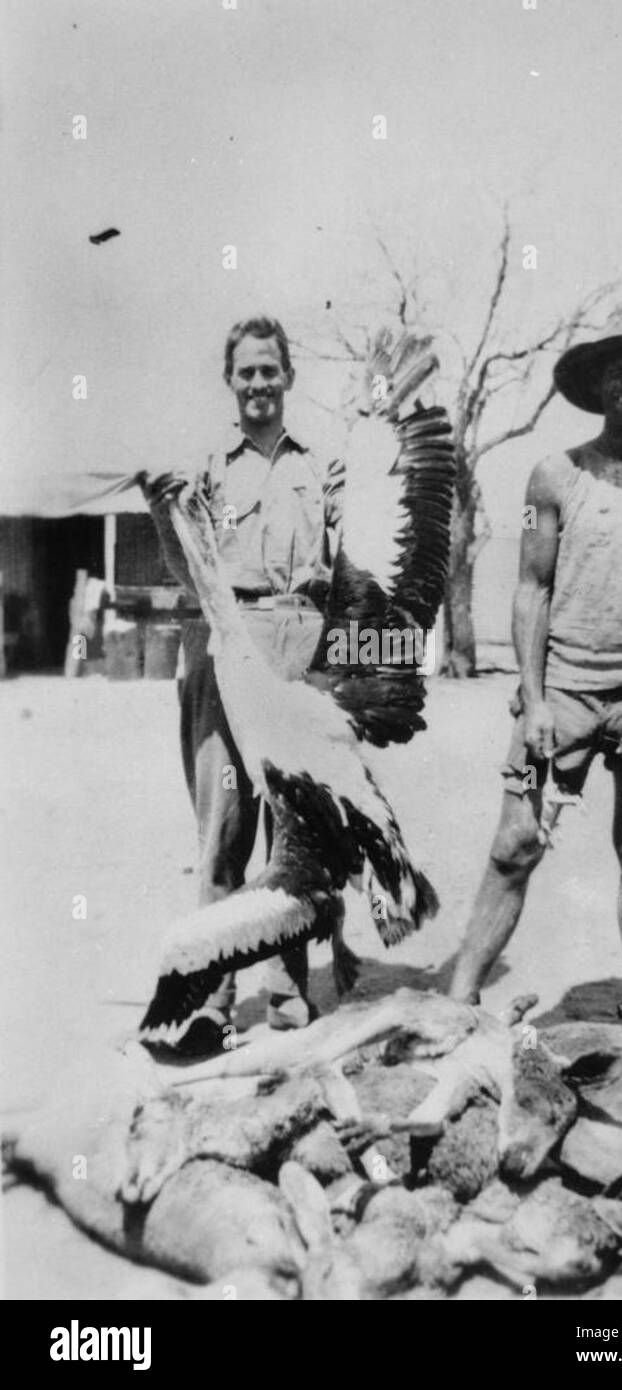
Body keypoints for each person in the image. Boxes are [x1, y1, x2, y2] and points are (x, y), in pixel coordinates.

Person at [448, 305, 622, 1054]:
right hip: (563, 684)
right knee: (514, 843)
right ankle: (461, 995)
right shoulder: (554, 475)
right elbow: (531, 587)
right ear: (595, 386)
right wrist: (533, 700)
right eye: (614, 369)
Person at [141, 315, 342, 1054]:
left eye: (269, 369)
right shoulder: (202, 470)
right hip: (223, 646)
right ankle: (211, 1000)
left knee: (294, 835)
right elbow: (183, 565)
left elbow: (351, 566)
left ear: (288, 376)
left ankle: (288, 993)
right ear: (230, 381)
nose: (258, 383)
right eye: (245, 371)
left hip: (300, 652)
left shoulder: (322, 465)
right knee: (224, 831)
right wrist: (163, 508)